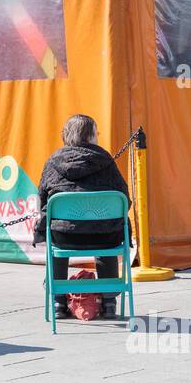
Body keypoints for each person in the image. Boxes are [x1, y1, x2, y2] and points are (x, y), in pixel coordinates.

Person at [33, 115, 130, 320]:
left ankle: (59, 304)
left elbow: (42, 200)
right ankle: (109, 302)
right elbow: (125, 199)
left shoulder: (53, 161)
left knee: (56, 234)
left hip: (65, 236)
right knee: (105, 229)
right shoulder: (105, 161)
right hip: (105, 237)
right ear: (91, 135)